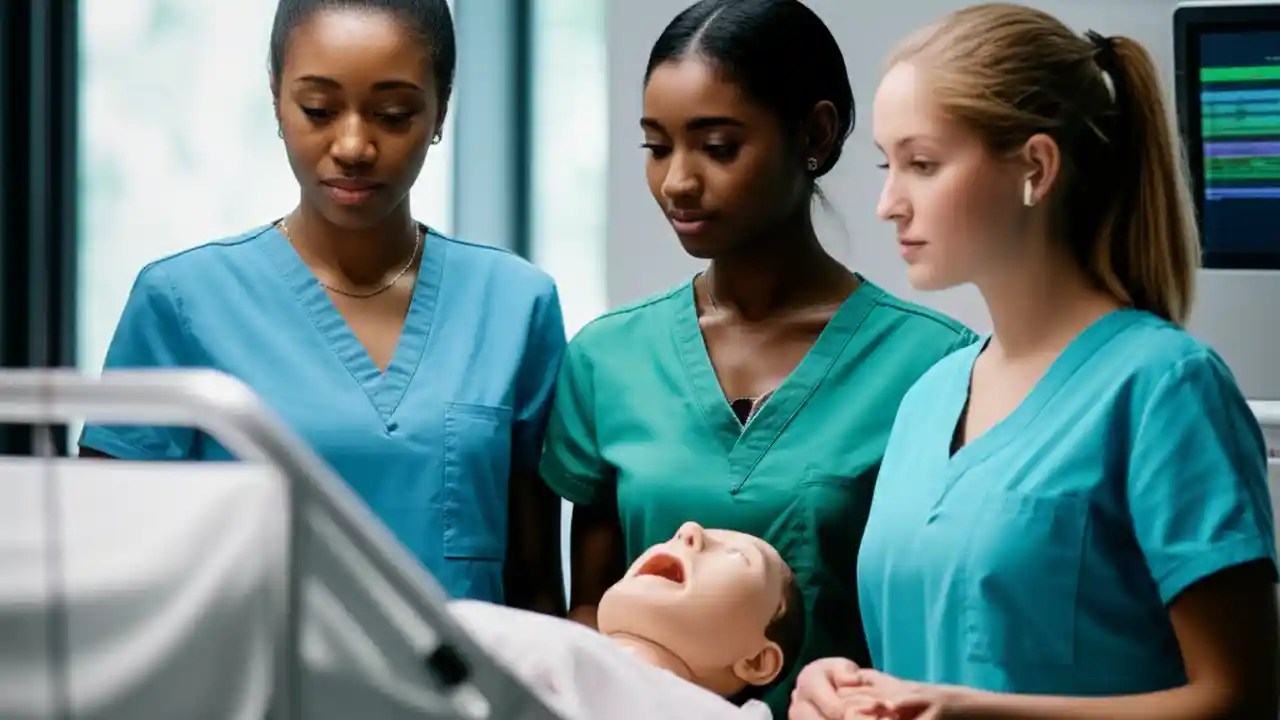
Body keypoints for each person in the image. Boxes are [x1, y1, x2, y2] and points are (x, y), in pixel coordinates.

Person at [790, 4, 1278, 719]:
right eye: (888, 165)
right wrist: (845, 687)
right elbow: (939, 657)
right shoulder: (929, 398)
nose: (888, 204)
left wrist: (980, 714)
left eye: (922, 164)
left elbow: (1242, 698)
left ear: (1036, 168)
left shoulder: (1165, 388)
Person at [538, 0, 976, 715]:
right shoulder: (607, 360)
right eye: (657, 147)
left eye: (717, 147)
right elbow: (589, 610)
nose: (677, 181)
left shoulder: (936, 366)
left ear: (815, 133)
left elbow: (946, 621)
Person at [78, 0, 566, 615]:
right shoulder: (179, 303)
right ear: (276, 98)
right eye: (318, 109)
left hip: (464, 679)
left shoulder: (516, 305)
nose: (354, 146)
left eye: (393, 115)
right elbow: (105, 576)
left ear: (441, 109)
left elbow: (538, 598)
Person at [452, 522, 805, 719]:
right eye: (673, 536)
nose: (688, 531)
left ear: (757, 662)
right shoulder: (498, 629)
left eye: (738, 556)